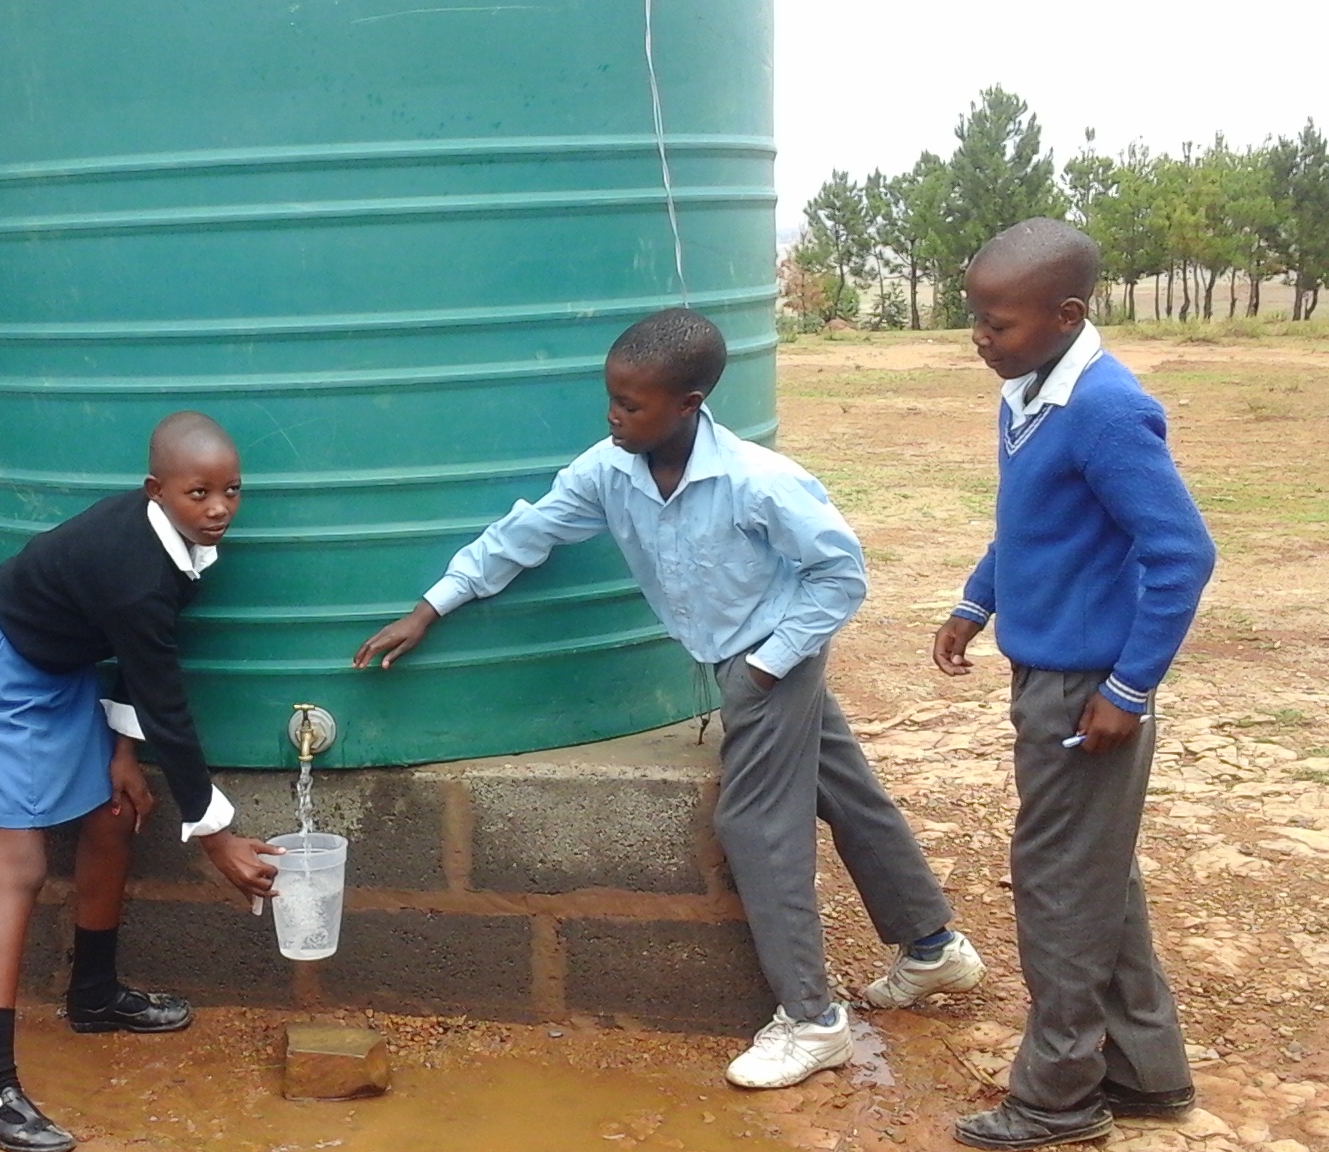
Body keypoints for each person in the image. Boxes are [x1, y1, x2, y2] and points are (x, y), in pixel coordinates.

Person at [354, 307, 984, 1089]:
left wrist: (766, 666)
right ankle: (932, 948)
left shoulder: (758, 482)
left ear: (688, 404)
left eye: (633, 405)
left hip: (769, 656)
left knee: (755, 824)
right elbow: (527, 534)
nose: (614, 416)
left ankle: (813, 1020)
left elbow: (841, 574)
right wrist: (431, 606)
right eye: (611, 400)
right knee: (845, 792)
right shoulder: (609, 469)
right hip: (741, 656)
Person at [936, 218, 1216, 1151]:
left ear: (1067, 315)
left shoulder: (1104, 407)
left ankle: (1057, 1097)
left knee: (1056, 882)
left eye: (998, 322)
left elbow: (1181, 552)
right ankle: (1146, 1074)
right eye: (974, 316)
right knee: (1097, 877)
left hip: (1086, 689)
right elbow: (1033, 526)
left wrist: (1130, 690)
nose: (980, 336)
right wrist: (978, 601)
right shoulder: (1030, 393)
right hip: (1046, 670)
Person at [0, 411, 282, 1152]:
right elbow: (165, 694)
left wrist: (123, 754)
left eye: (232, 491)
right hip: (9, 669)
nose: (220, 508)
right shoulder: (136, 566)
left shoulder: (178, 546)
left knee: (114, 812)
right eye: (200, 493)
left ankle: (94, 997)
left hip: (62, 665)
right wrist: (216, 837)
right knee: (19, 867)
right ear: (155, 490)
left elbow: (140, 651)